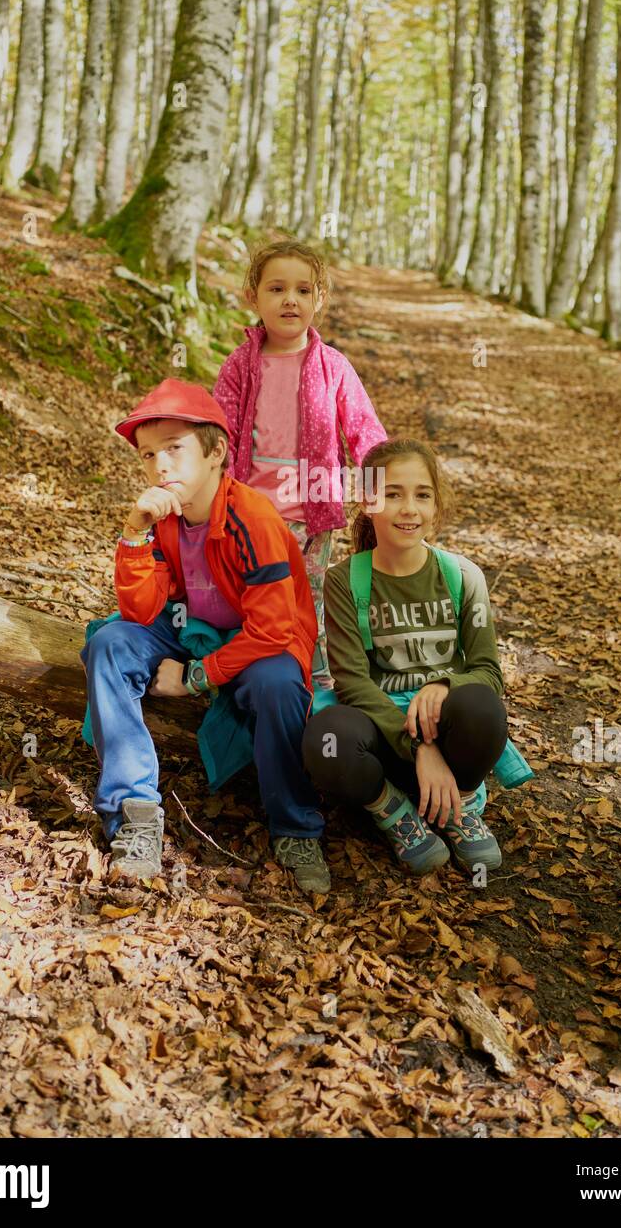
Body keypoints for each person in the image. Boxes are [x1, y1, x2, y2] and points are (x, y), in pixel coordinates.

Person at [80, 379, 330, 895]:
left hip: (256, 639)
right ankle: (135, 813)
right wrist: (133, 534)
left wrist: (194, 678)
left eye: (175, 448)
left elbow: (273, 630)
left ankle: (295, 826)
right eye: (149, 455)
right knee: (109, 644)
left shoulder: (253, 520)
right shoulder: (164, 519)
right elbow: (140, 608)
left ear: (217, 452)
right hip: (188, 627)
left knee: (279, 684)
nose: (160, 466)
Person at [302, 437, 508, 879]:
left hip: (452, 734)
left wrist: (442, 687)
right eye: (392, 494)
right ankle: (395, 811)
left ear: (436, 507)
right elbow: (353, 684)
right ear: (367, 502)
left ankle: (461, 806)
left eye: (422, 495)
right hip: (384, 735)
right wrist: (419, 747)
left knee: (481, 706)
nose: (408, 508)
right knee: (326, 737)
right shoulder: (345, 582)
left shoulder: (462, 575)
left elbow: (488, 672)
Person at [213, 239, 387, 692]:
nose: (290, 299)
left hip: (311, 512)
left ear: (319, 301)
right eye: (276, 289)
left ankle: (318, 683)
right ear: (253, 296)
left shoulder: (333, 366)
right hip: (250, 511)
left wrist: (378, 478)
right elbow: (220, 433)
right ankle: (244, 674)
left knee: (308, 601)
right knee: (254, 594)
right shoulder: (241, 365)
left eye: (303, 291)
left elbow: (363, 427)